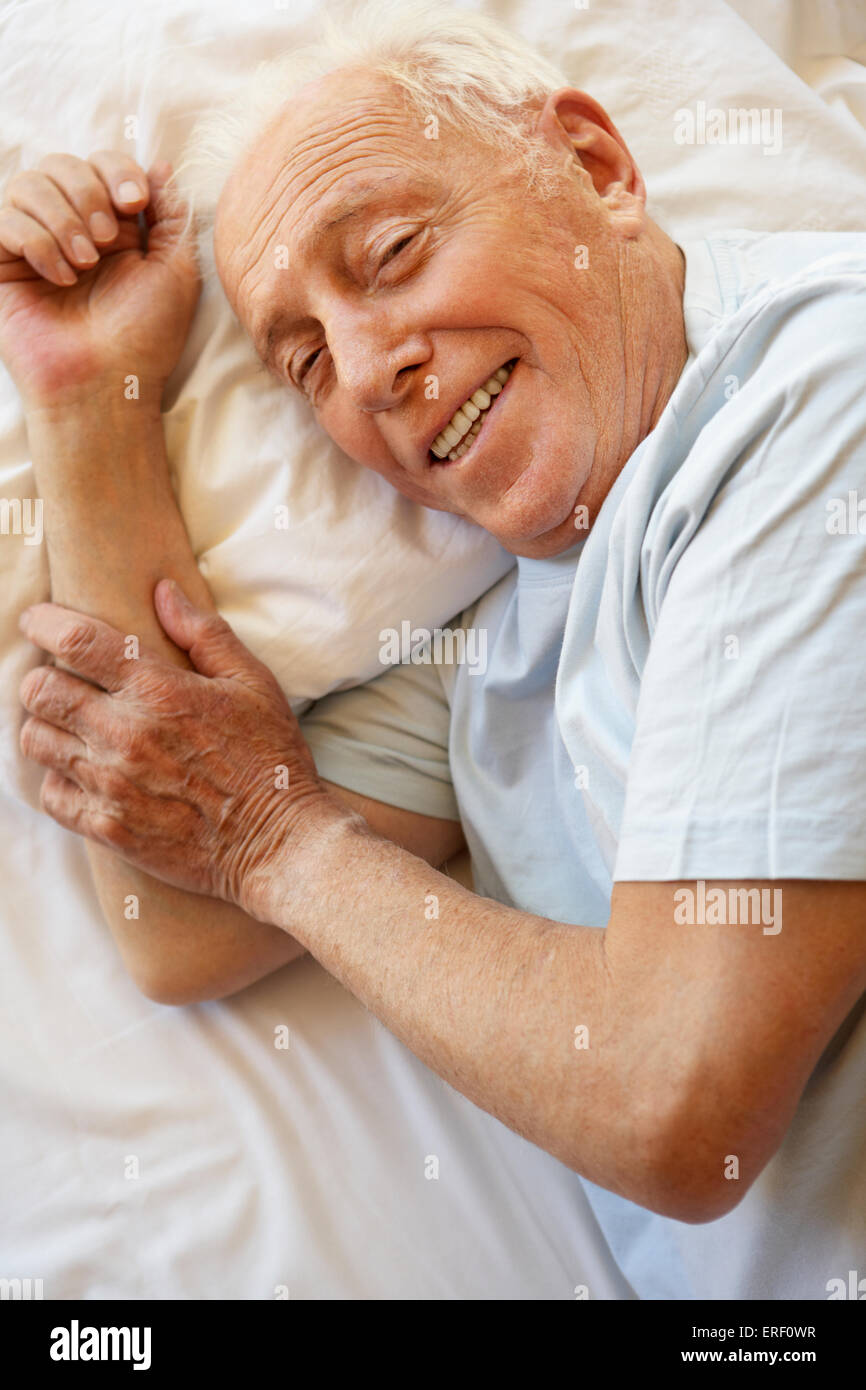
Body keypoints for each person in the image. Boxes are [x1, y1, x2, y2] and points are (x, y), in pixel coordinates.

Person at [1, 1, 864, 1299]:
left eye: (392, 253)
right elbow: (178, 919)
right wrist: (89, 396)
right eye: (302, 363)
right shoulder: (495, 633)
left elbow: (678, 1102)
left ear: (595, 166)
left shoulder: (819, 388)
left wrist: (276, 838)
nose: (363, 371)